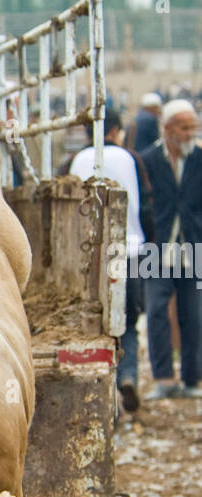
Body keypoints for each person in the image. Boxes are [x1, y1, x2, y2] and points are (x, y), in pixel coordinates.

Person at [70, 108, 149, 412]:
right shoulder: (131, 159)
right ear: (115, 130)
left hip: (89, 258)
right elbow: (147, 205)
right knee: (127, 321)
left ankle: (107, 393)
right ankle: (128, 377)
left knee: (98, 327)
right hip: (129, 251)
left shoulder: (75, 161)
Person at [141, 99, 202, 399]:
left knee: (193, 315)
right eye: (185, 126)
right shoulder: (148, 160)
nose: (191, 132)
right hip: (157, 246)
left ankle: (192, 378)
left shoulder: (200, 159)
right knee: (155, 313)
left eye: (193, 126)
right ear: (167, 129)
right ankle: (164, 378)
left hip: (193, 246)